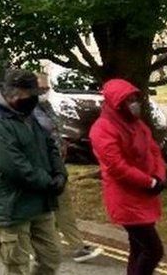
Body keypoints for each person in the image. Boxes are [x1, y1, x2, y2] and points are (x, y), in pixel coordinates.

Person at [0, 69, 65, 275]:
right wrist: (48, 181)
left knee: (51, 258)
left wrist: (60, 174)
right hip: (12, 205)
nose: (35, 99)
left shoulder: (31, 117)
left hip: (40, 203)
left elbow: (50, 145)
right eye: (31, 94)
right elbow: (13, 165)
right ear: (14, 93)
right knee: (17, 267)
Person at [89, 79, 167, 275]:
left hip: (144, 194)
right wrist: (149, 182)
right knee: (153, 250)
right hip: (126, 198)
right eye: (128, 100)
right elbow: (117, 167)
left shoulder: (137, 124)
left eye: (135, 98)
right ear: (117, 104)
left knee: (139, 248)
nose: (134, 103)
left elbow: (154, 151)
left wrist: (158, 176)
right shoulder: (103, 128)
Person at [33, 74, 102, 263]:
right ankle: (35, 247)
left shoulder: (46, 107)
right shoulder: (24, 112)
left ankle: (77, 247)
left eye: (47, 88)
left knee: (62, 206)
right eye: (41, 89)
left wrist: (62, 145)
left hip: (55, 165)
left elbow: (55, 131)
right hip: (37, 168)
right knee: (40, 210)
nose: (44, 92)